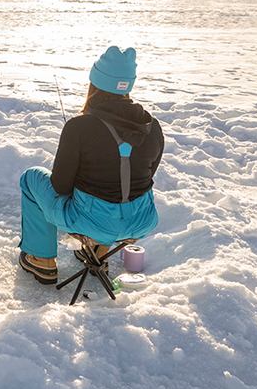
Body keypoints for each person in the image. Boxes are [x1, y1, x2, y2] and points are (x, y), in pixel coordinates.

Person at [18, 46, 163, 283]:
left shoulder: (79, 127)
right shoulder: (153, 127)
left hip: (93, 223)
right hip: (141, 222)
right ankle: (99, 250)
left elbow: (60, 187)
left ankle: (41, 260)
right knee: (117, 197)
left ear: (95, 83)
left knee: (31, 177)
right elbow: (145, 176)